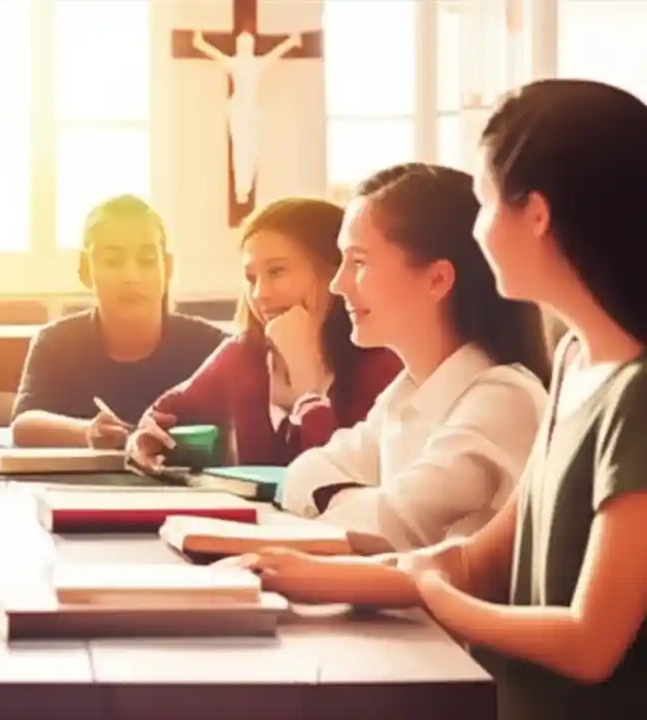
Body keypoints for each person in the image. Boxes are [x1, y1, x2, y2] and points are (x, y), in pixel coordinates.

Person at [230, 80, 647, 719]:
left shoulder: (635, 394)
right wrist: (305, 572)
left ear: (536, 214)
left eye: (483, 204)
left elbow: (591, 643)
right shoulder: (572, 364)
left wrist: (433, 595)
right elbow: (476, 559)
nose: (476, 231)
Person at [278, 163, 551, 551]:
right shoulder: (406, 394)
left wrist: (334, 500)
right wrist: (358, 502)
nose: (337, 284)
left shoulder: (504, 399)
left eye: (358, 262)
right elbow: (302, 474)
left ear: (437, 279)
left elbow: (393, 528)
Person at [128, 198, 401, 468]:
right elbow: (162, 414)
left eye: (277, 271)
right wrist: (144, 440)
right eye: (251, 278)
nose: (260, 294)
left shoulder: (383, 365)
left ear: (334, 272)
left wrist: (308, 382)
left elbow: (332, 477)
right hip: (250, 513)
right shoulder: (243, 355)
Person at [9, 195, 225, 448]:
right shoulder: (57, 343)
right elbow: (23, 424)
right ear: (85, 270)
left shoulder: (211, 348)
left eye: (146, 261)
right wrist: (86, 432)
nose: (131, 276)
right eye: (112, 261)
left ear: (167, 267)